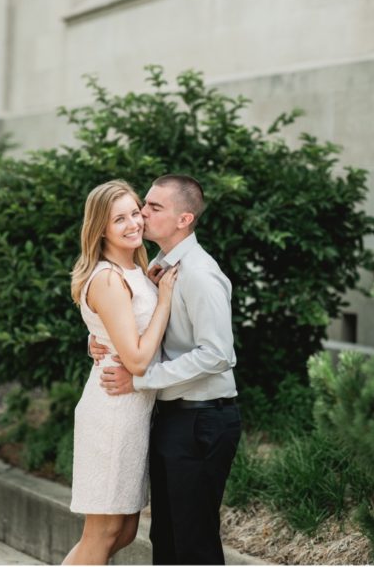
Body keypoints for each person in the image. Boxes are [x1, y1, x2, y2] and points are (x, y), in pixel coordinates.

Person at [93, 174, 241, 564]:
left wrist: (142, 379)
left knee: (194, 544)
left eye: (154, 207)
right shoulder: (157, 267)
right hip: (172, 418)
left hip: (203, 421)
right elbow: (132, 322)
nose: (142, 213)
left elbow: (217, 354)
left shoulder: (199, 273)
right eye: (145, 203)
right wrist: (99, 342)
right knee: (168, 540)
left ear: (184, 219)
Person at [64, 180, 179, 565]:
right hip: (113, 412)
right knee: (104, 532)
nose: (133, 223)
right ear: (100, 228)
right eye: (119, 219)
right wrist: (164, 300)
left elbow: (112, 329)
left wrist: (94, 339)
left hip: (132, 413)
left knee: (125, 530)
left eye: (135, 212)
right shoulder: (109, 276)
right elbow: (137, 361)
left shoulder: (134, 268)